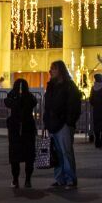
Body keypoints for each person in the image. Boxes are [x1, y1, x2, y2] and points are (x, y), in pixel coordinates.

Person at [42, 60, 82, 190]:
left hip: (63, 124)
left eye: (53, 69)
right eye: (50, 69)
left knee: (66, 152)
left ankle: (70, 178)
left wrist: (69, 121)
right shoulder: (51, 86)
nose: (50, 71)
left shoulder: (69, 86)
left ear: (60, 70)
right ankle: (60, 178)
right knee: (57, 152)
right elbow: (47, 105)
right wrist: (46, 120)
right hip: (53, 123)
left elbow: (74, 105)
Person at [5, 78, 37, 190]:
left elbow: (8, 102)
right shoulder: (29, 97)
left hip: (18, 128)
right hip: (27, 128)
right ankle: (26, 180)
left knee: (16, 155)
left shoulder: (18, 97)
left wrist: (16, 96)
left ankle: (16, 179)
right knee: (27, 155)